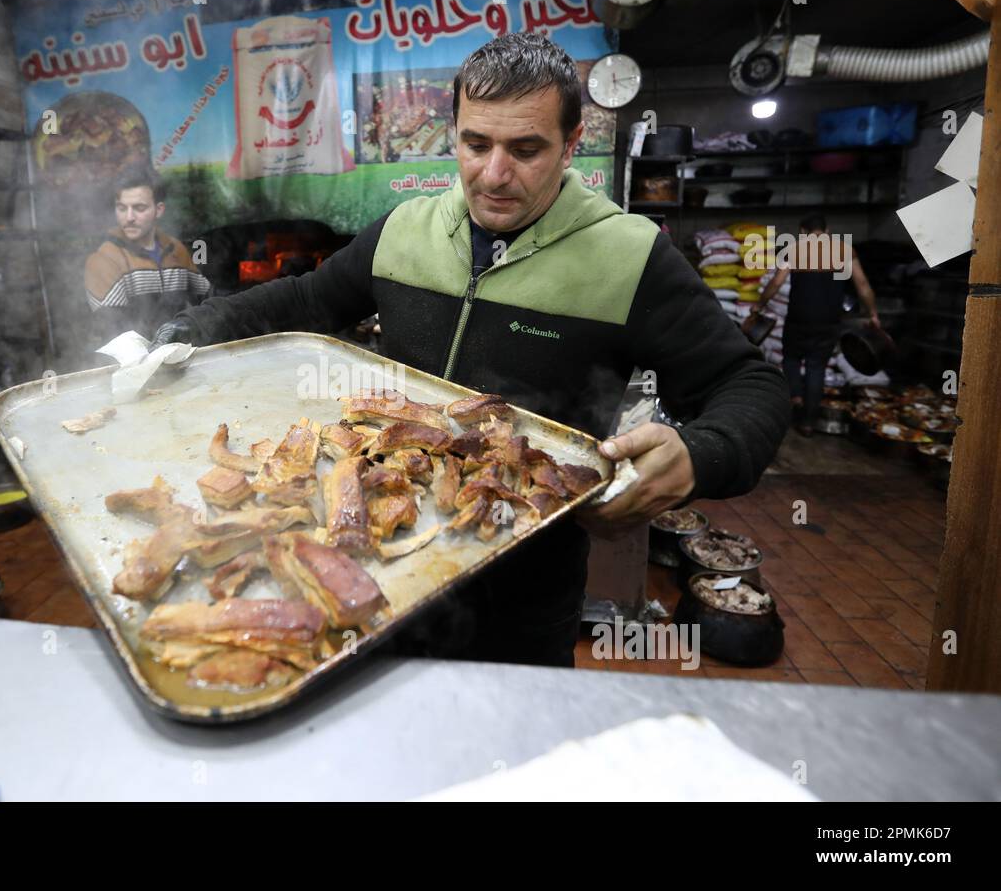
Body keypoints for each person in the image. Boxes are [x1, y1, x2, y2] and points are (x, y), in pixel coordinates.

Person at [155, 33, 790, 666]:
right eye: (475, 144)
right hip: (386, 562)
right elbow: (303, 301)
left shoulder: (631, 258)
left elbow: (748, 385)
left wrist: (702, 455)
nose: (493, 175)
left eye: (526, 150)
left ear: (572, 146)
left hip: (523, 591)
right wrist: (182, 333)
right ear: (453, 132)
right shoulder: (404, 231)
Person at [754, 213, 880, 436]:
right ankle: (808, 423)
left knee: (791, 359)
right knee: (816, 367)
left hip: (798, 319)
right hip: (829, 321)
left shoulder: (795, 250)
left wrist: (760, 305)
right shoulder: (843, 250)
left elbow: (776, 283)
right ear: (827, 230)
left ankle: (796, 396)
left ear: (802, 231)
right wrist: (873, 313)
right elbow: (862, 285)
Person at [84, 166, 211, 341]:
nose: (129, 217)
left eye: (139, 208)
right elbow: (114, 334)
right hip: (133, 364)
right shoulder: (103, 261)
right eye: (122, 208)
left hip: (181, 355)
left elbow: (207, 300)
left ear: (159, 210)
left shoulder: (176, 249)